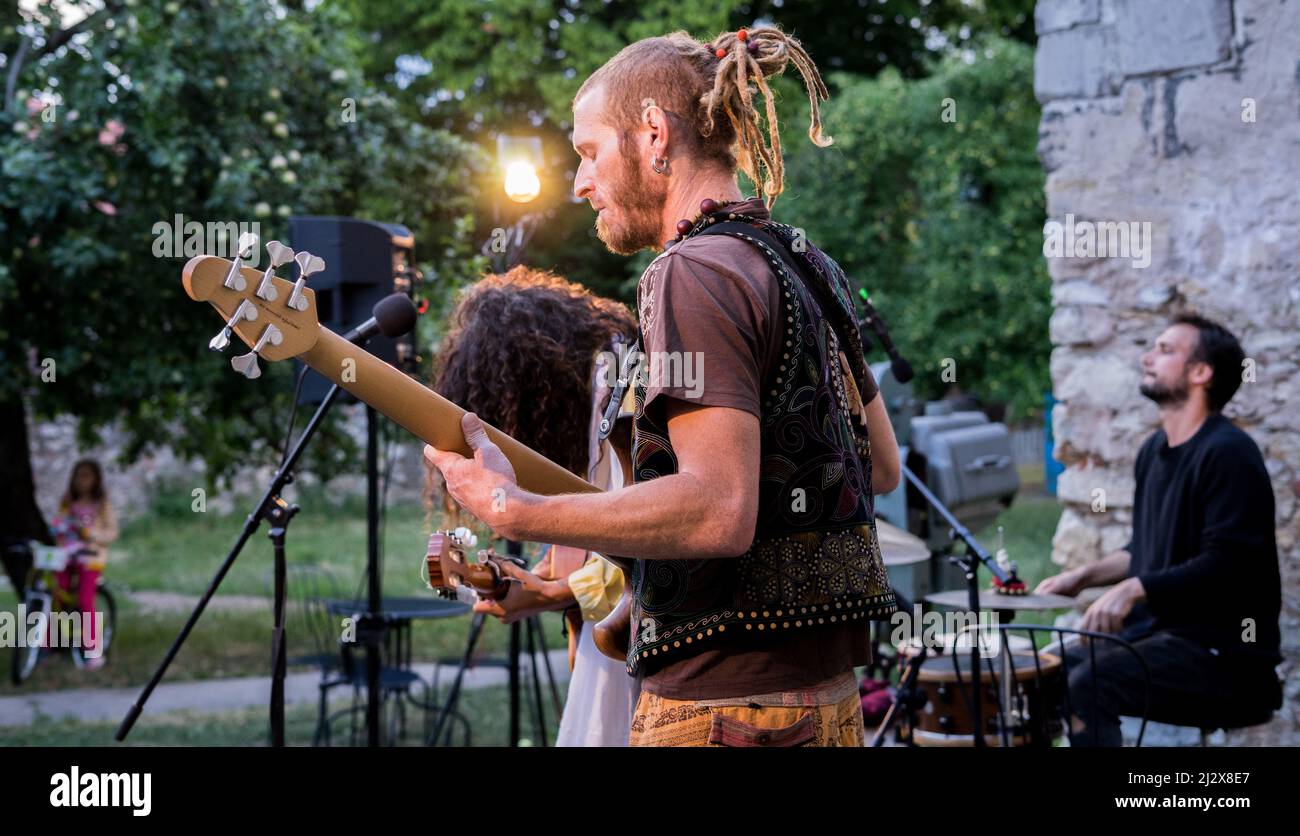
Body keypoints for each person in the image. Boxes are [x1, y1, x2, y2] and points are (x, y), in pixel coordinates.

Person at [425, 25, 901, 747]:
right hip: (828, 701)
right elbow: (882, 466)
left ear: (653, 134)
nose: (581, 183)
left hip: (724, 714)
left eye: (589, 153)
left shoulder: (690, 272)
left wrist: (511, 507)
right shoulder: (811, 264)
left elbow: (718, 511)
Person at [1036, 314, 1282, 746]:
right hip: (1156, 637)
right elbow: (1148, 550)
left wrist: (1134, 590)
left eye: (1166, 350)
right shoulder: (1153, 451)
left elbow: (1228, 563)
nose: (1147, 357)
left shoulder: (1228, 453)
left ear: (1201, 373)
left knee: (1089, 682)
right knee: (1046, 668)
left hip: (1223, 655)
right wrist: (1084, 577)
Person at [430, 266, 640, 746]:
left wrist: (553, 592)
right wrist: (537, 577)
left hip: (639, 651)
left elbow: (642, 532)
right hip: (616, 644)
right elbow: (596, 536)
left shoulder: (614, 384)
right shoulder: (598, 384)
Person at [50, 458, 119, 670]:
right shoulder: (68, 501)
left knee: (85, 601)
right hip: (67, 555)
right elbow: (59, 524)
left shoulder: (102, 504)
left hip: (90, 557)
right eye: (79, 475)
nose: (83, 481)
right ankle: (50, 645)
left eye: (88, 476)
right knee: (57, 594)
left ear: (96, 479)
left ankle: (93, 650)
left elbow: (111, 533)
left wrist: (90, 533)